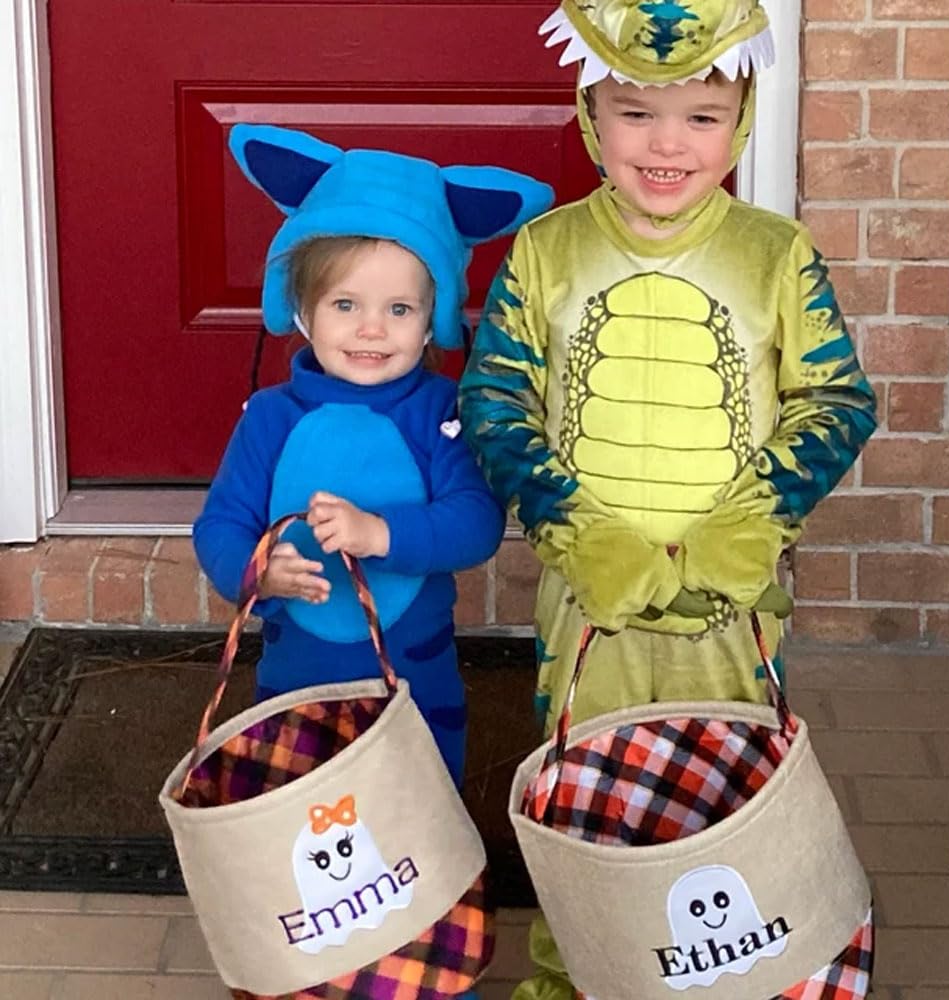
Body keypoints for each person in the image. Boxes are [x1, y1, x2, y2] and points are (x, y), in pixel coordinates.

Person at [458, 2, 878, 997]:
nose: (666, 144)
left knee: (723, 797)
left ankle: (712, 979)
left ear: (740, 119)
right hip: (588, 606)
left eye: (700, 116)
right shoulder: (546, 252)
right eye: (634, 111)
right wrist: (579, 534)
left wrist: (744, 533)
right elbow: (493, 399)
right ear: (588, 109)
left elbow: (835, 399)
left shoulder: (775, 255)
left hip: (726, 605)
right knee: (583, 803)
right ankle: (578, 973)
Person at [194, 123, 554, 796]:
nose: (371, 329)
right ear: (302, 312)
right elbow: (220, 523)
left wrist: (380, 534)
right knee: (302, 811)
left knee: (416, 805)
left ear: (433, 318)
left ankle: (426, 894)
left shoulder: (441, 410)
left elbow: (475, 521)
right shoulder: (272, 417)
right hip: (294, 677)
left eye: (399, 308)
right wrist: (256, 572)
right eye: (345, 304)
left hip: (413, 680)